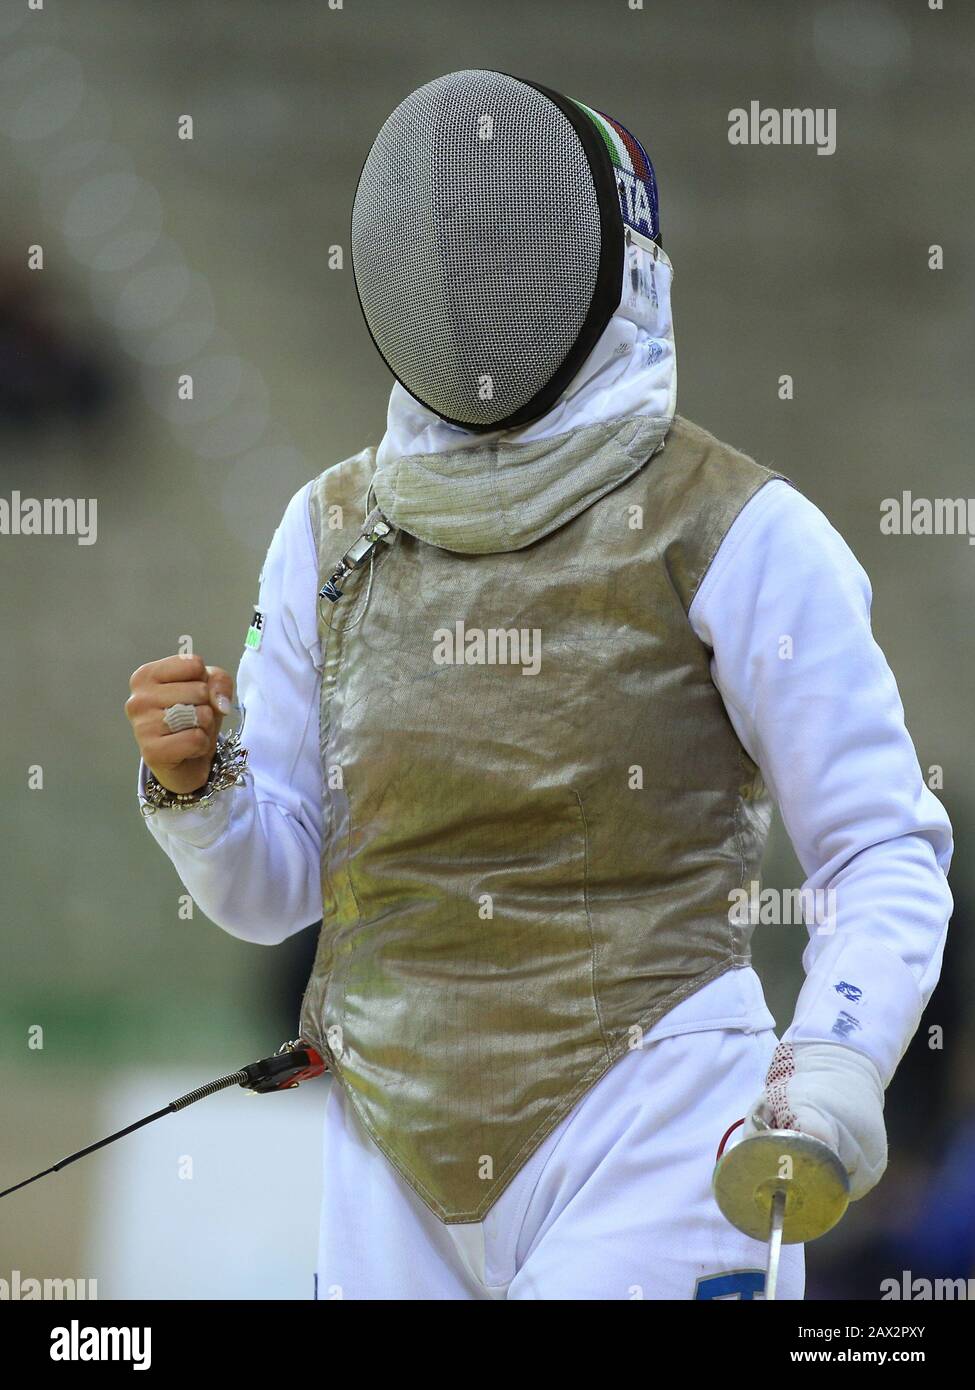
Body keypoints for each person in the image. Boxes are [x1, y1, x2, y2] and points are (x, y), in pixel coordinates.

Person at [125, 70, 952, 1300]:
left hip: (660, 1126)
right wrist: (198, 790)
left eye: (511, 243)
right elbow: (275, 885)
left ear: (607, 256)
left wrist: (830, 1063)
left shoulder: (737, 528)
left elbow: (879, 843)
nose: (473, 281)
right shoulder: (330, 530)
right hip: (387, 1148)